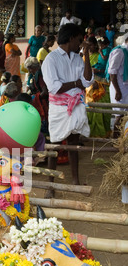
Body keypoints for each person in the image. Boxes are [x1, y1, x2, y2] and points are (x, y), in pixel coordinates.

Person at [42, 23, 94, 187]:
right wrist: (75, 83)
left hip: (76, 106)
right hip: (58, 108)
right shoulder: (51, 59)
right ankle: (51, 184)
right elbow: (55, 87)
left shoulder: (78, 57)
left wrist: (85, 54)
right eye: (79, 40)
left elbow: (87, 81)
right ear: (71, 38)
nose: (80, 44)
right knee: (54, 146)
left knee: (73, 144)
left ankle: (75, 181)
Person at [106, 32, 128, 137]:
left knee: (125, 115)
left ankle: (122, 140)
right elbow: (112, 73)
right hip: (119, 87)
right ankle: (115, 142)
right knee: (119, 116)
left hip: (125, 87)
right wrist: (118, 91)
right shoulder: (119, 51)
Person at [24, 57, 49, 135]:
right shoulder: (38, 74)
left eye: (29, 69)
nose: (29, 71)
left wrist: (35, 98)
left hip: (44, 104)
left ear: (31, 68)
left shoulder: (39, 75)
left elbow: (45, 92)